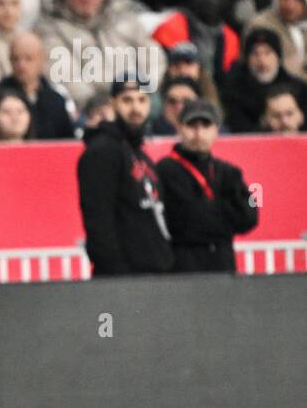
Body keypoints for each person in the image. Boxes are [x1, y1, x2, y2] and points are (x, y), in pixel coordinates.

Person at [76, 76, 174, 276]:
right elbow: (98, 221)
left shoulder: (141, 155)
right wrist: (117, 275)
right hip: (123, 279)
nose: (135, 108)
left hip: (155, 275)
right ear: (113, 104)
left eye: (142, 100)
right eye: (127, 100)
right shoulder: (102, 151)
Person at [156, 98, 258, 271]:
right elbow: (180, 221)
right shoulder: (164, 170)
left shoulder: (229, 172)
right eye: (192, 125)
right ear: (179, 128)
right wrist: (224, 212)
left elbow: (249, 215)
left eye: (205, 125)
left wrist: (204, 211)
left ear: (216, 129)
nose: (199, 132)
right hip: (183, 268)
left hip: (223, 266)